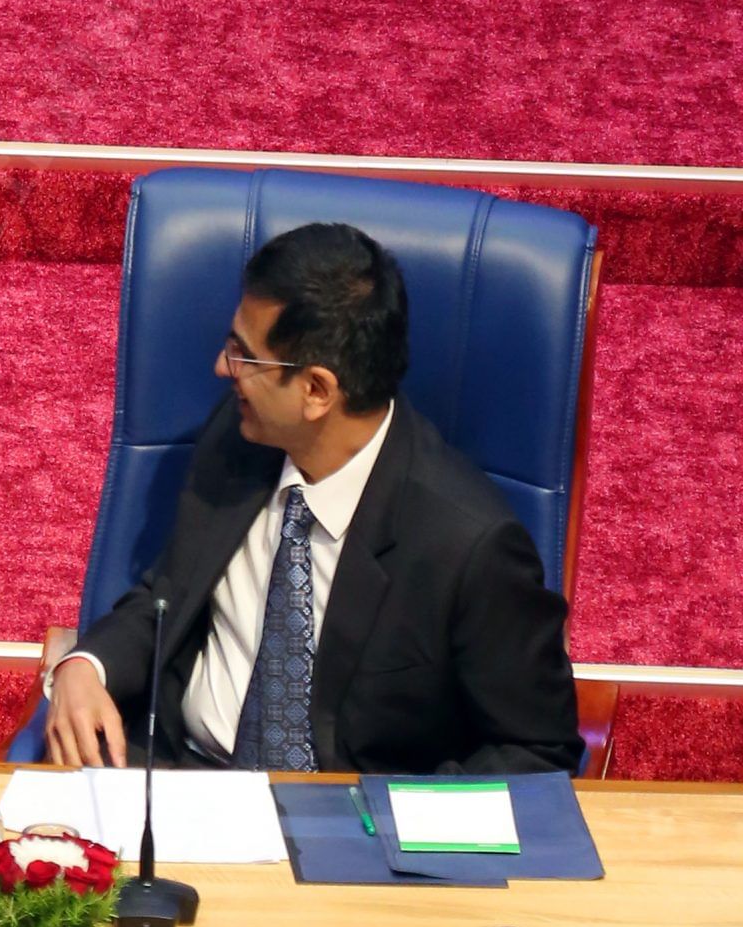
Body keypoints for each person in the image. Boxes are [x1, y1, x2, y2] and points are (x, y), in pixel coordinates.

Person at [46, 221, 581, 776]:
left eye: (244, 356)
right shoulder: (239, 434)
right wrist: (86, 666)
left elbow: (538, 753)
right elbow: (167, 595)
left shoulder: (470, 546)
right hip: (178, 777)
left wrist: (396, 815)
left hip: (352, 812)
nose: (222, 369)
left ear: (317, 391)